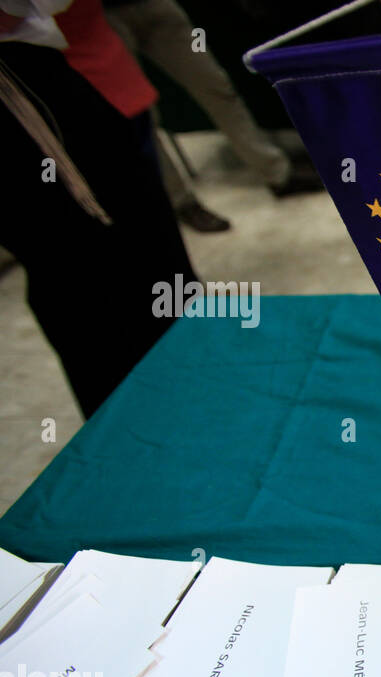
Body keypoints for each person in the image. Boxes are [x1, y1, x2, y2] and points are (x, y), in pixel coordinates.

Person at [0, 0, 196, 416]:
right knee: (81, 277)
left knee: (152, 250)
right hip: (24, 107)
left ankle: (195, 383)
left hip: (59, 79)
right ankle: (135, 426)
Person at [103, 0, 321, 232]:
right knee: (141, 113)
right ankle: (182, 202)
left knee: (215, 86)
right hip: (100, 18)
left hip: (155, 6)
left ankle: (277, 172)